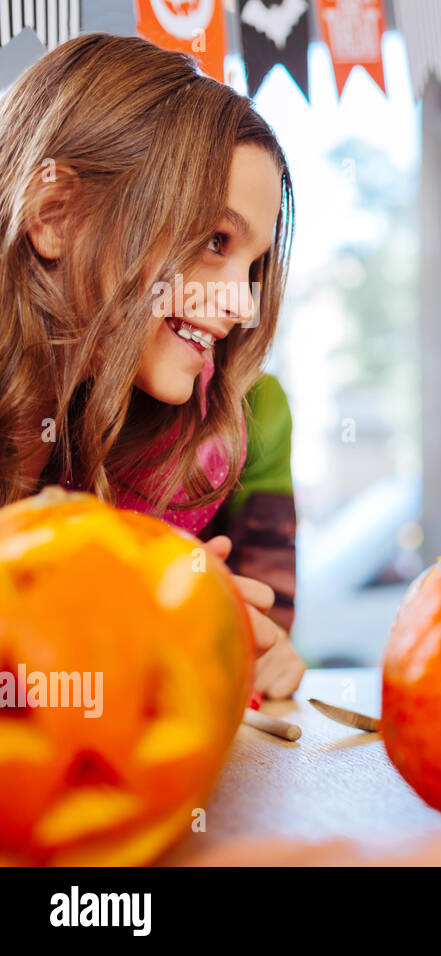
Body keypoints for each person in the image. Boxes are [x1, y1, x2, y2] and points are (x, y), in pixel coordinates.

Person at [0, 33, 303, 697]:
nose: (242, 305)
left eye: (254, 268)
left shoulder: (132, 446)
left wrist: (211, 643)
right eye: (213, 240)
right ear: (56, 215)